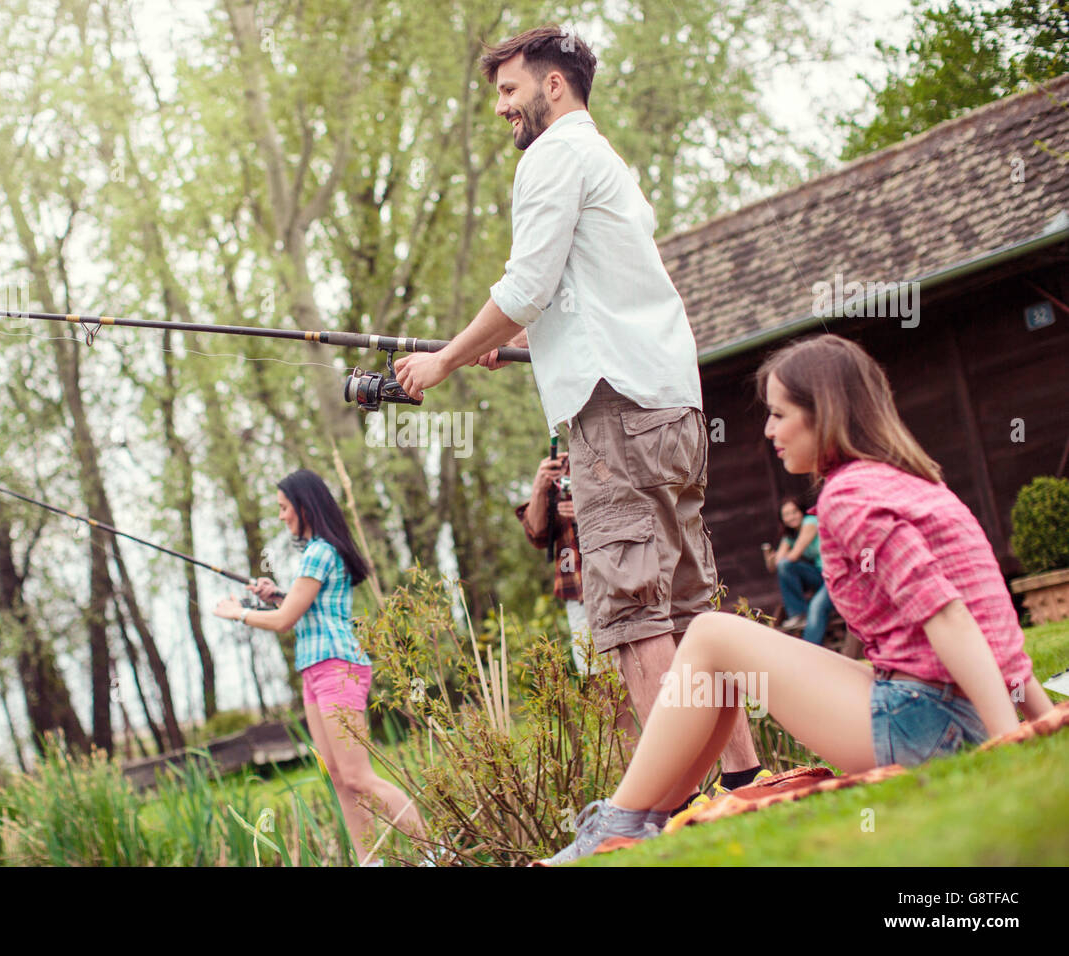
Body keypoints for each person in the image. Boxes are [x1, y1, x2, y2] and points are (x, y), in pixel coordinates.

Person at [393, 24, 767, 810]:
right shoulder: (608, 162)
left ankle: (679, 804)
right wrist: (518, 338)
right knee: (693, 607)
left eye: (508, 90)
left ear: (551, 85)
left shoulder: (553, 155)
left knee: (633, 611)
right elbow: (579, 290)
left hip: (611, 416)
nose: (501, 109)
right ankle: (746, 782)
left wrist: (445, 360)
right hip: (671, 405)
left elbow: (527, 282)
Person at [541, 334, 1056, 864]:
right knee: (718, 656)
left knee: (711, 633)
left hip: (930, 726)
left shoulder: (850, 497)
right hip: (943, 710)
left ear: (824, 414)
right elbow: (993, 618)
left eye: (780, 415)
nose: (769, 431)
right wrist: (1036, 718)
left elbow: (948, 614)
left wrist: (1007, 742)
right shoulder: (915, 484)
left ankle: (618, 824)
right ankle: (650, 819)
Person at [213, 469, 426, 865]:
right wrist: (276, 594)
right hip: (315, 671)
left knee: (359, 776)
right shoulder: (315, 553)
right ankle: (370, 862)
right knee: (341, 779)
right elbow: (303, 610)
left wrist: (238, 613)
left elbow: (285, 621)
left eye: (283, 507)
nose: (280, 516)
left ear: (304, 506)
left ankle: (434, 857)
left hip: (337, 668)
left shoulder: (320, 552)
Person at [516, 451, 639, 742]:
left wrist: (588, 507)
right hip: (580, 594)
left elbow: (628, 504)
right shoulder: (557, 468)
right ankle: (630, 778)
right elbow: (537, 534)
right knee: (607, 694)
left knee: (644, 674)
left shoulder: (600, 457)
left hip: (623, 584)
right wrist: (539, 485)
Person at [765, 496, 831, 644]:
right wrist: (774, 559)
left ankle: (810, 651)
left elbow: (793, 556)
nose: (791, 517)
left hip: (832, 575)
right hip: (818, 575)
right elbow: (778, 565)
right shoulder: (790, 535)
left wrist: (780, 557)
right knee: (785, 567)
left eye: (794, 512)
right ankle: (798, 614)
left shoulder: (810, 522)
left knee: (816, 607)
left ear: (801, 511)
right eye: (786, 514)